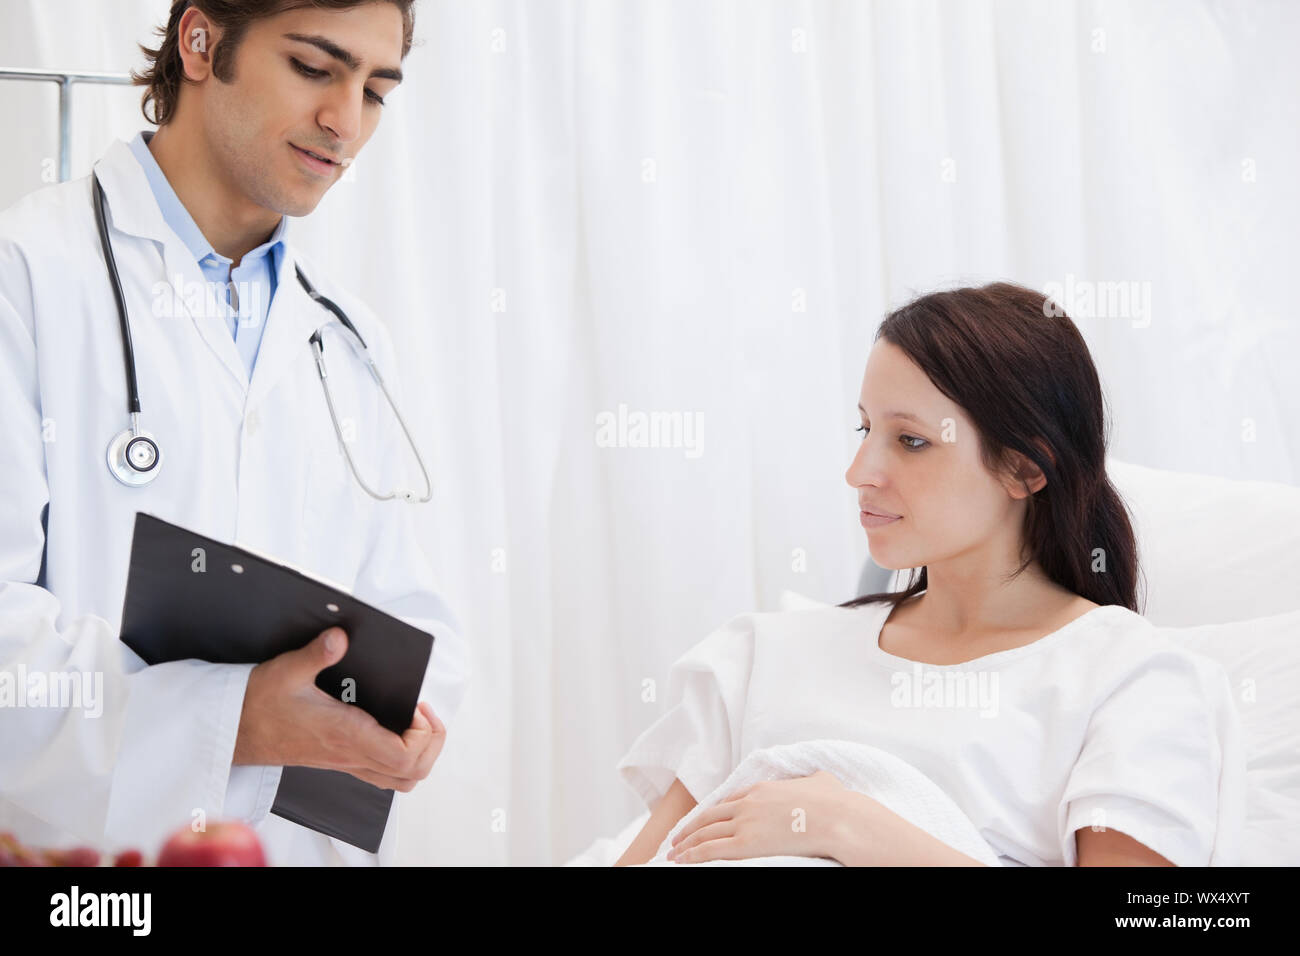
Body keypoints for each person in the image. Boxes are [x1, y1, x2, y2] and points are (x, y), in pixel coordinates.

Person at [0, 0, 469, 865]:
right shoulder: (26, 274)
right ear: (201, 42)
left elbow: (411, 617)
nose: (345, 122)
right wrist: (236, 720)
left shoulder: (346, 337)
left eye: (375, 90)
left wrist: (411, 719)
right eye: (314, 67)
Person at [612, 282, 1244, 867]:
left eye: (910, 440)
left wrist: (847, 826)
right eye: (865, 428)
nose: (860, 470)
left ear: (1025, 469)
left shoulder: (1129, 681)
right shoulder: (762, 657)